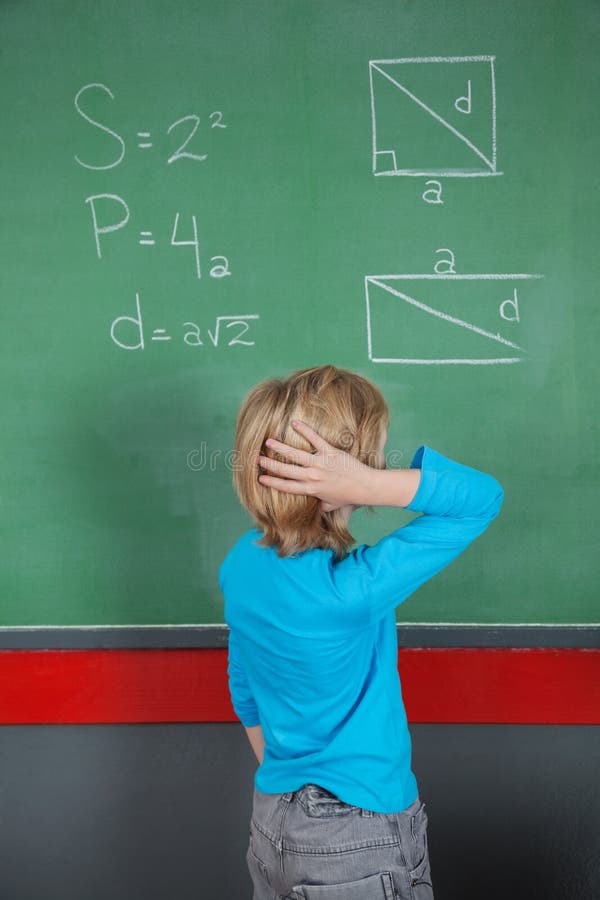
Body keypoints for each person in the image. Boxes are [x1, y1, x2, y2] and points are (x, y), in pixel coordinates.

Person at [219, 365, 504, 899]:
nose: (377, 463)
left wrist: (294, 773)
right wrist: (372, 485)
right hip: (358, 832)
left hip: (273, 818)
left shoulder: (240, 565)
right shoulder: (351, 590)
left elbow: (243, 686)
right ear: (338, 473)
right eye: (370, 457)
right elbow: (481, 499)